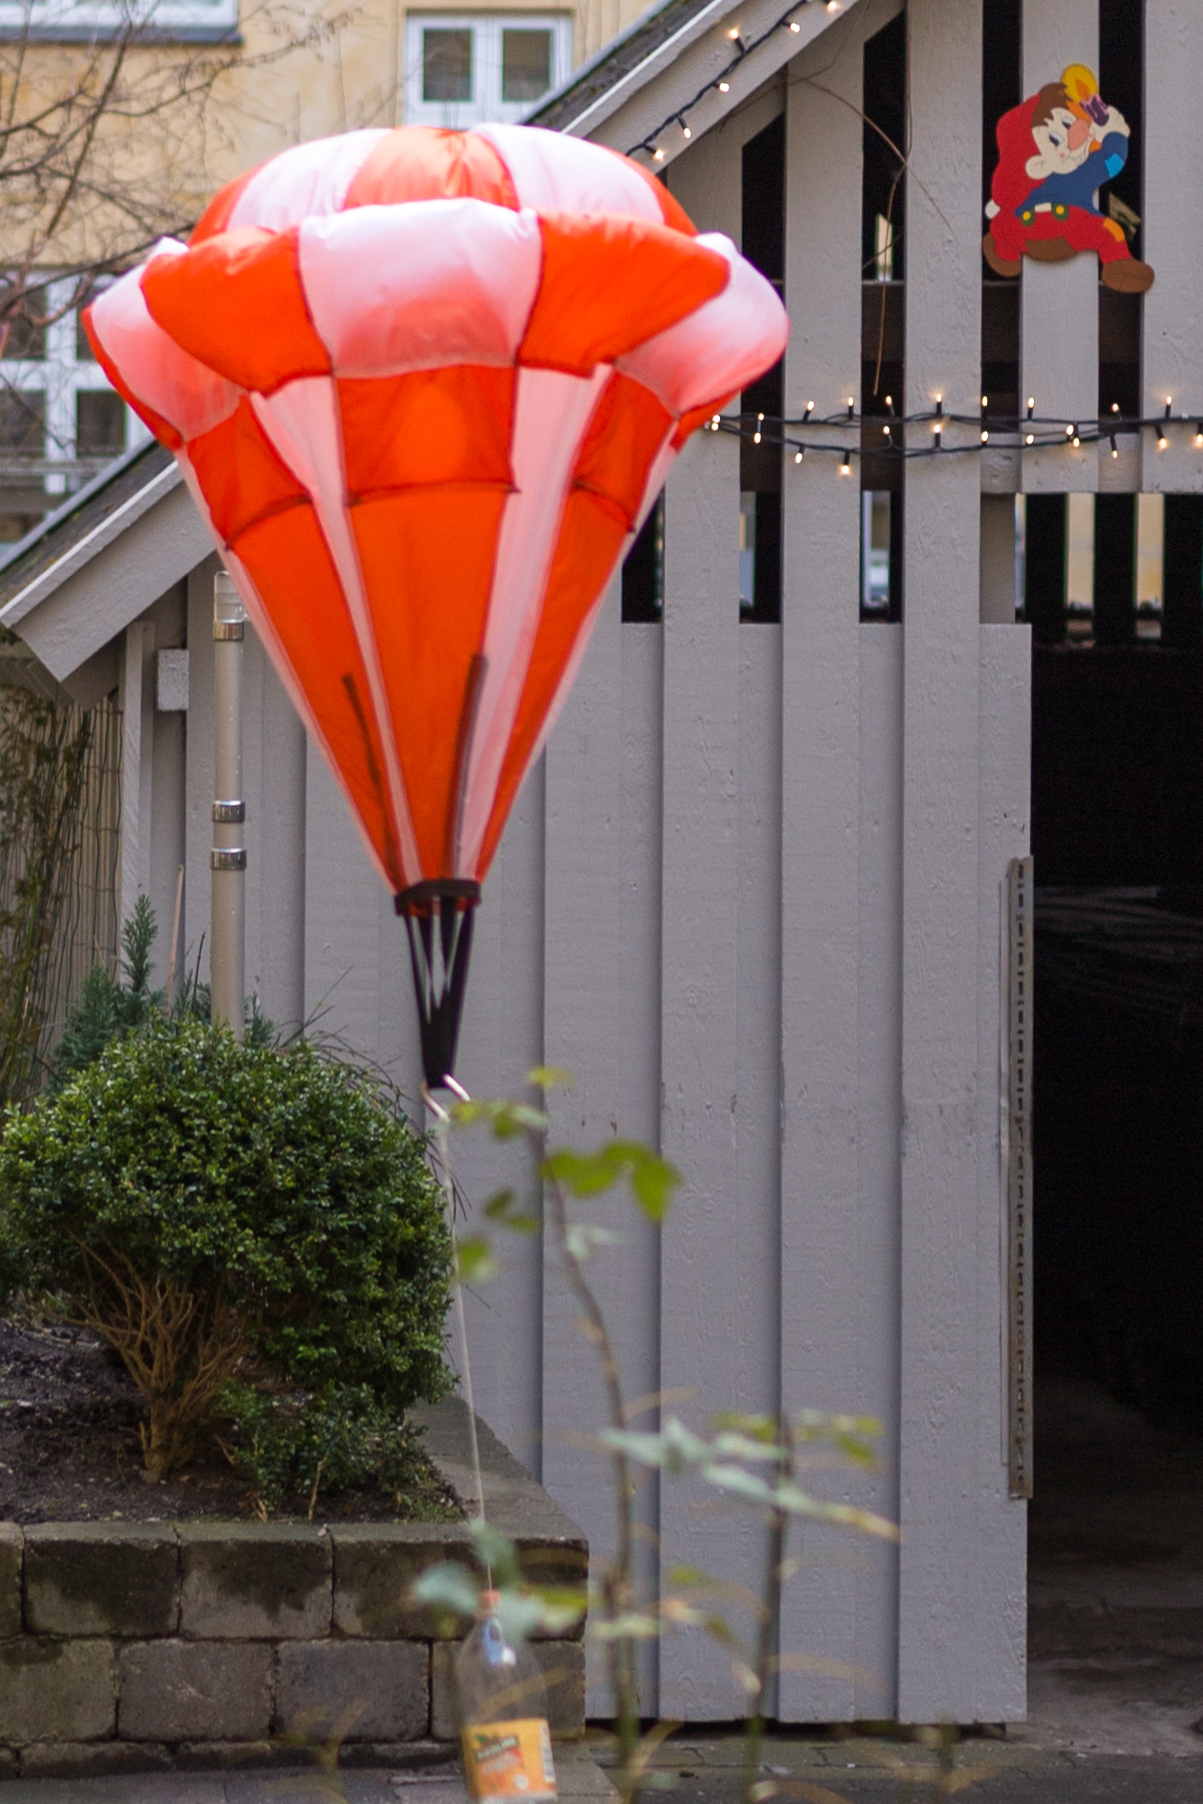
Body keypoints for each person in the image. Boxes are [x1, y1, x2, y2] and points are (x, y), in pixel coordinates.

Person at [983, 64, 1154, 293]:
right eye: (1055, 137)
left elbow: (1113, 160)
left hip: (1074, 223)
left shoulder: (1081, 171)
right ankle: (1004, 252)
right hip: (1031, 224)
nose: (1070, 139)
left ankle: (1118, 264)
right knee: (1002, 226)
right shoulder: (1023, 175)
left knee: (1109, 230)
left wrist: (1112, 131)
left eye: (1067, 123)